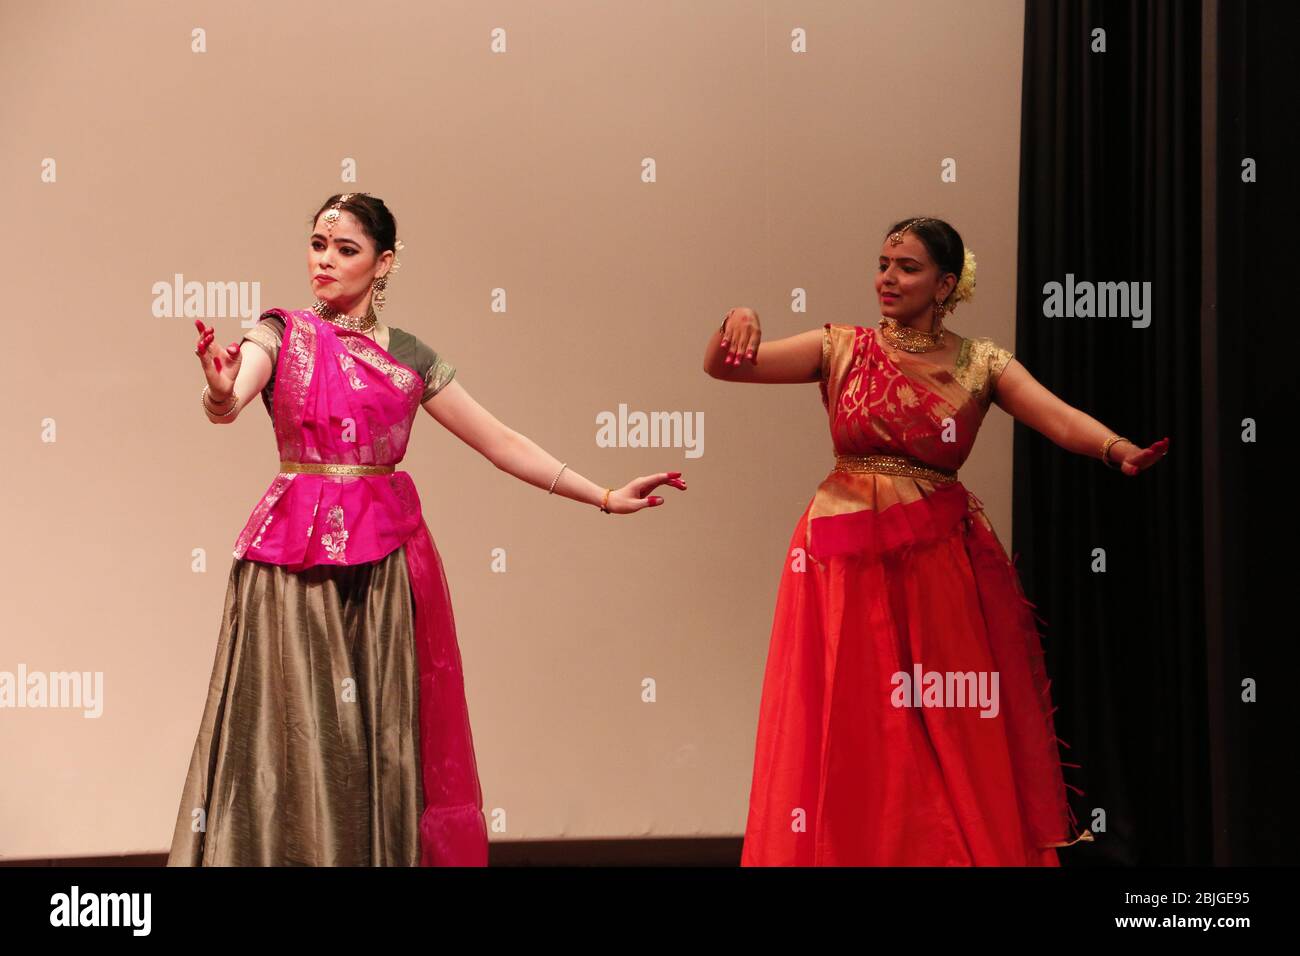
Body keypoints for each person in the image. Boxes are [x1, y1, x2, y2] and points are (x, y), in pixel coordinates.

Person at [168, 192, 686, 866]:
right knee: (296, 732)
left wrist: (604, 495)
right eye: (318, 244)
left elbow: (500, 441)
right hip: (294, 565)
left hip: (382, 567)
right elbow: (232, 398)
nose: (325, 260)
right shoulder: (282, 331)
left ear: (384, 264)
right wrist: (218, 387)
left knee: (376, 740)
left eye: (346, 249)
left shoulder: (410, 356)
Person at [706, 216, 1169, 866]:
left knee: (944, 717)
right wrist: (739, 316)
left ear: (945, 283)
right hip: (839, 557)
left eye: (907, 267)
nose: (887, 278)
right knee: (853, 714)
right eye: (883, 263)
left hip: (936, 558)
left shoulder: (981, 363)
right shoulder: (840, 345)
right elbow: (729, 368)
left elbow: (1056, 414)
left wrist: (1113, 448)